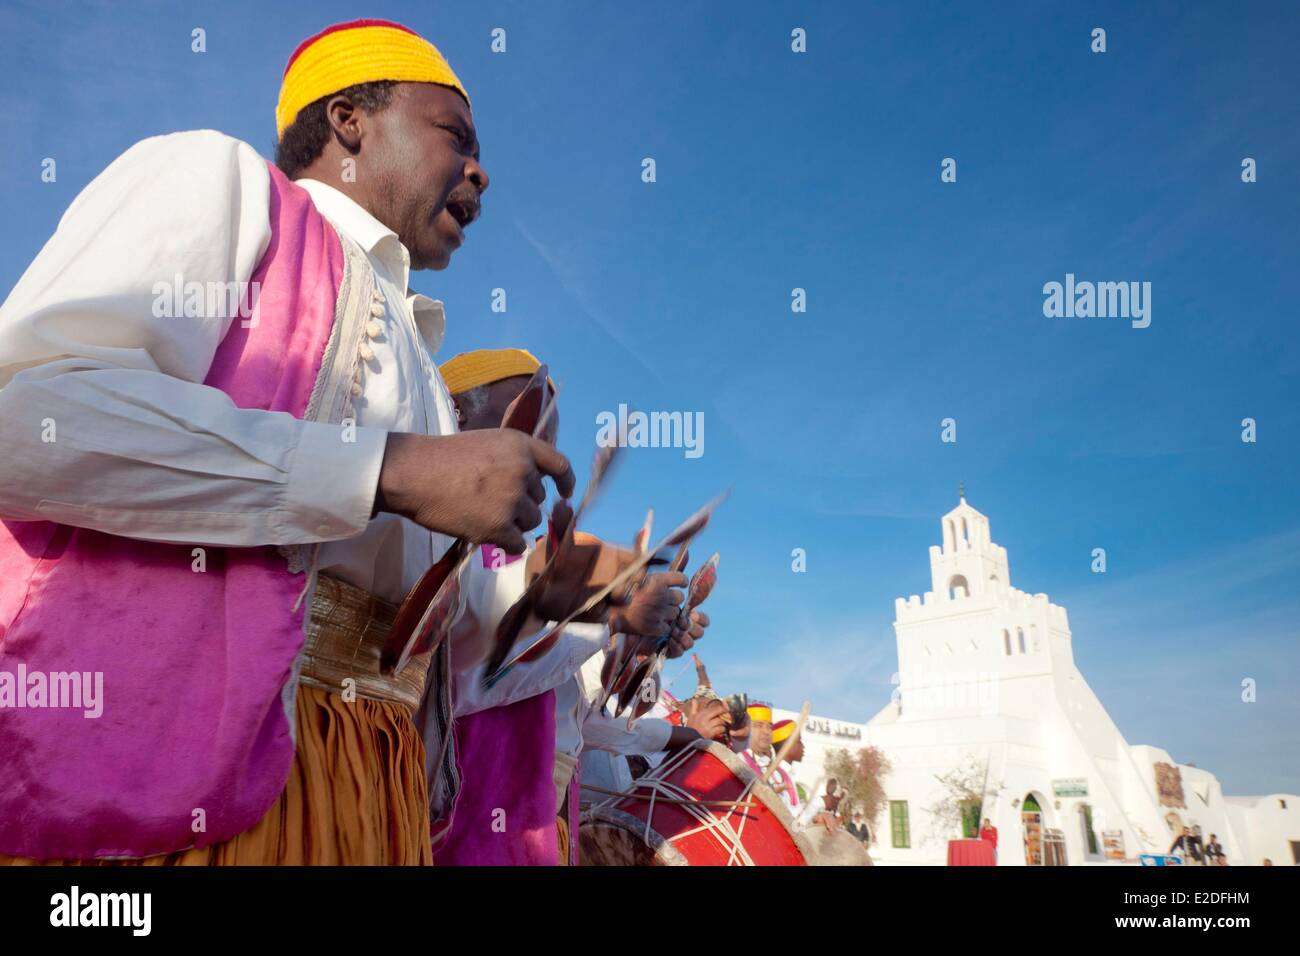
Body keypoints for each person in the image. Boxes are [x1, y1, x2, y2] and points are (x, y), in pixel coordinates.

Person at [0, 19, 628, 865]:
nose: (481, 171)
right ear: (349, 119)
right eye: (456, 136)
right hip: (174, 787)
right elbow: (30, 416)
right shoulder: (220, 179)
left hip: (377, 792)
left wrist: (547, 601)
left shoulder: (417, 353)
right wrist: (386, 469)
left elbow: (445, 649)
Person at [431, 349, 692, 865]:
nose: (543, 464)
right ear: (453, 414)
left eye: (548, 444)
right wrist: (608, 619)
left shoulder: (512, 555)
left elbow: (579, 715)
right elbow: (454, 681)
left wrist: (630, 628)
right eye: (524, 431)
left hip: (536, 811)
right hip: (454, 810)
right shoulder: (430, 540)